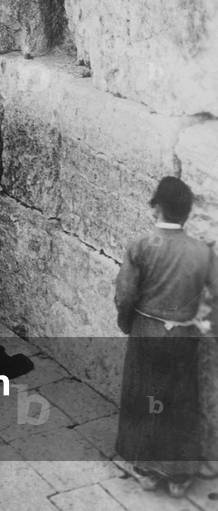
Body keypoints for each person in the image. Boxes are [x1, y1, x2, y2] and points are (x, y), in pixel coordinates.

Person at [114, 176, 218, 497]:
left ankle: (146, 469)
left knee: (146, 396)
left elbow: (125, 294)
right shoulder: (202, 252)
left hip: (147, 329)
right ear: (186, 212)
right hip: (184, 334)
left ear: (157, 206)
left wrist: (126, 322)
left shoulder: (141, 245)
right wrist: (206, 324)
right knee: (180, 399)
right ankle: (178, 477)